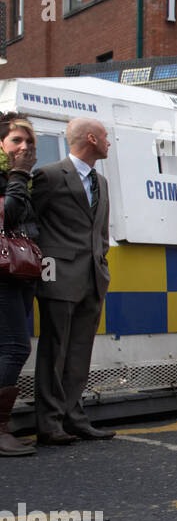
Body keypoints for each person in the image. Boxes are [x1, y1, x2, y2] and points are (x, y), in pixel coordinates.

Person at [31, 117, 115, 445]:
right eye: (105, 137)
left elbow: (100, 231)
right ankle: (49, 424)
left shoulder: (102, 182)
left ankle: (73, 417)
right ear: (91, 139)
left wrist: (102, 264)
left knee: (80, 351)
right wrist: (47, 262)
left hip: (93, 278)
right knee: (55, 351)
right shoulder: (50, 176)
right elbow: (31, 222)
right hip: (59, 276)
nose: (109, 142)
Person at [0, 113, 40, 455]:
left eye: (29, 142)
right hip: (3, 274)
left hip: (19, 273)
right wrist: (19, 174)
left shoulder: (20, 178)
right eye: (16, 141)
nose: (24, 147)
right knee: (15, 348)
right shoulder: (13, 176)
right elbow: (8, 216)